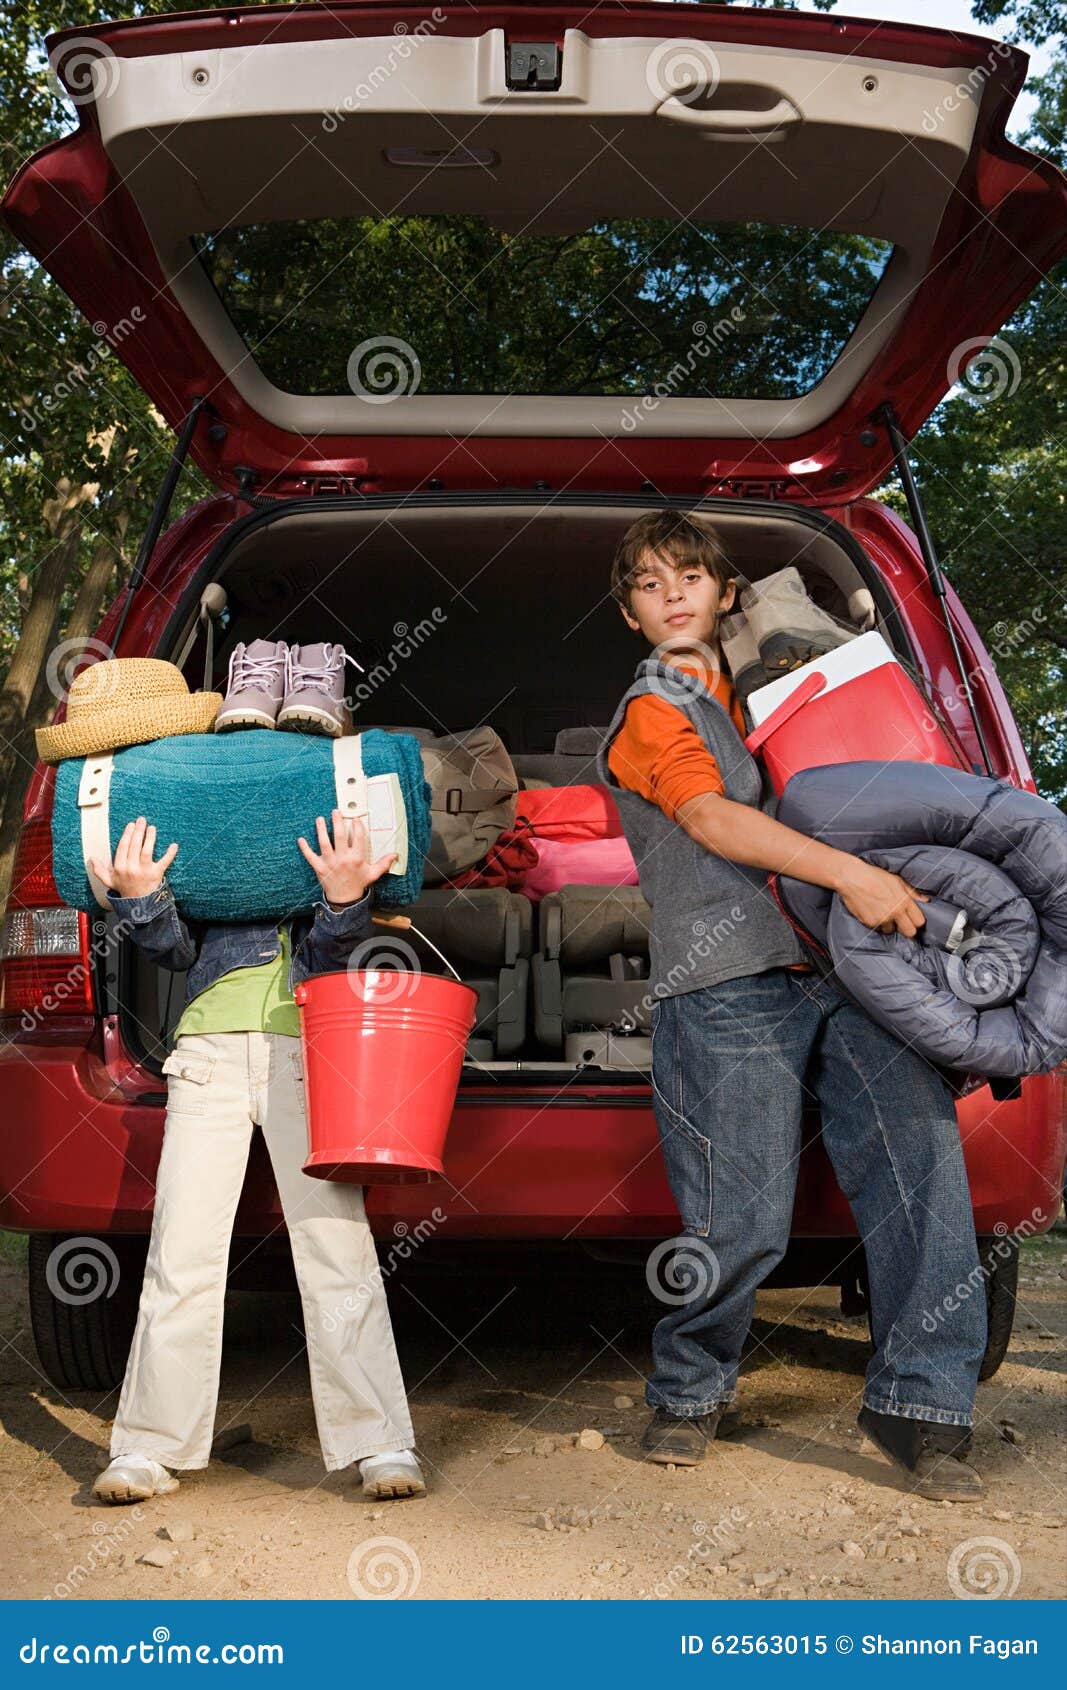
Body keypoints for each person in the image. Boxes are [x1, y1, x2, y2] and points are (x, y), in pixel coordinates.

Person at [596, 509, 987, 1501]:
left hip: (855, 975)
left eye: (690, 574)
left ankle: (923, 1410)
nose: (672, 592)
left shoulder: (792, 693)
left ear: (727, 593)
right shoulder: (653, 705)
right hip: (727, 983)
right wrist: (852, 877)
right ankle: (688, 1391)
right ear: (631, 611)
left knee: (920, 1177)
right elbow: (708, 815)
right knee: (741, 1221)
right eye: (648, 582)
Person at [89, 808, 425, 1505]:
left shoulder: (318, 832)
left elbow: (334, 959)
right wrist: (143, 895)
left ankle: (380, 1442)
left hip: (307, 1055)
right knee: (181, 1252)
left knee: (337, 1248)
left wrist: (341, 899)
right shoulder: (227, 843)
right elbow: (173, 949)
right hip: (205, 1057)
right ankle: (148, 1446)